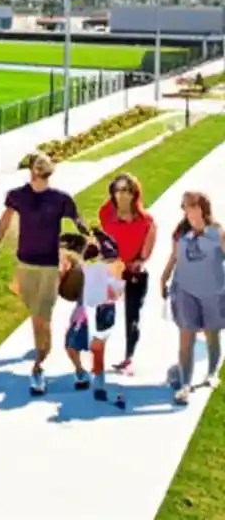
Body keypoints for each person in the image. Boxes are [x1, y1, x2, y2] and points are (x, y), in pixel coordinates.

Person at [0, 152, 91, 395]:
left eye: (45, 164)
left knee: (41, 316)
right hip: (25, 265)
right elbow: (5, 221)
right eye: (38, 164)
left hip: (50, 266)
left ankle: (39, 367)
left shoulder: (60, 199)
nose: (41, 167)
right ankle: (43, 350)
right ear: (32, 169)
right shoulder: (17, 196)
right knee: (34, 312)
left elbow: (77, 219)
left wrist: (89, 236)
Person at [160, 191, 225, 404]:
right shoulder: (180, 234)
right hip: (185, 291)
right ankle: (185, 384)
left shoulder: (218, 233)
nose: (185, 210)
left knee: (211, 335)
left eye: (189, 205)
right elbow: (174, 257)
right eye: (184, 206)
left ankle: (211, 373)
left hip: (214, 293)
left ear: (201, 208)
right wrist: (163, 278)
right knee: (186, 338)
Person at [99, 173, 157, 374]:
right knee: (102, 313)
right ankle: (98, 355)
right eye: (117, 190)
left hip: (133, 271)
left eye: (126, 190)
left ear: (134, 194)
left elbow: (146, 253)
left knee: (132, 316)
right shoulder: (106, 214)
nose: (121, 195)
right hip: (110, 269)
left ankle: (128, 358)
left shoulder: (147, 221)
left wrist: (138, 263)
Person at [62, 231, 125, 401]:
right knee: (70, 345)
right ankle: (81, 371)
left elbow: (117, 292)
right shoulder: (86, 266)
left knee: (97, 349)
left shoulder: (112, 268)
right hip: (85, 312)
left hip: (104, 311)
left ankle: (98, 383)